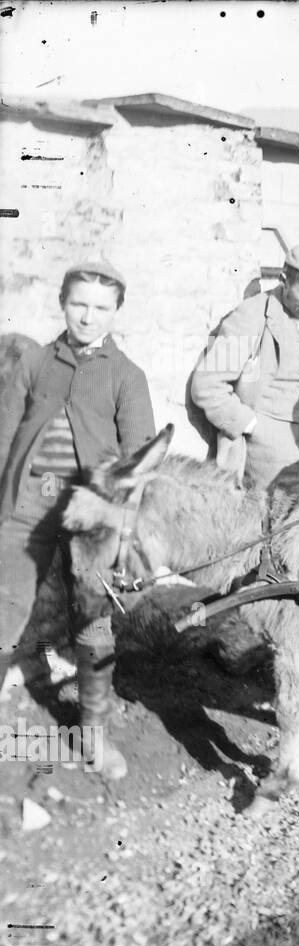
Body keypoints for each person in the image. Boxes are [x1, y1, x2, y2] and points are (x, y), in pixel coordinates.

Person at [0, 261, 156, 778]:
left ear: (116, 312)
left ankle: (93, 735)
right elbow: (5, 439)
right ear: (62, 303)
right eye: (78, 304)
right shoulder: (37, 362)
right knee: (4, 607)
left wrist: (118, 522)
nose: (88, 317)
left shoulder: (126, 376)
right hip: (28, 505)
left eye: (101, 308)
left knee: (93, 620)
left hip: (91, 515)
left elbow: (138, 461)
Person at [189, 242, 299, 490]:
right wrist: (249, 424)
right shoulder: (250, 315)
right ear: (284, 280)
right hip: (268, 438)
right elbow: (207, 385)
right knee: (280, 516)